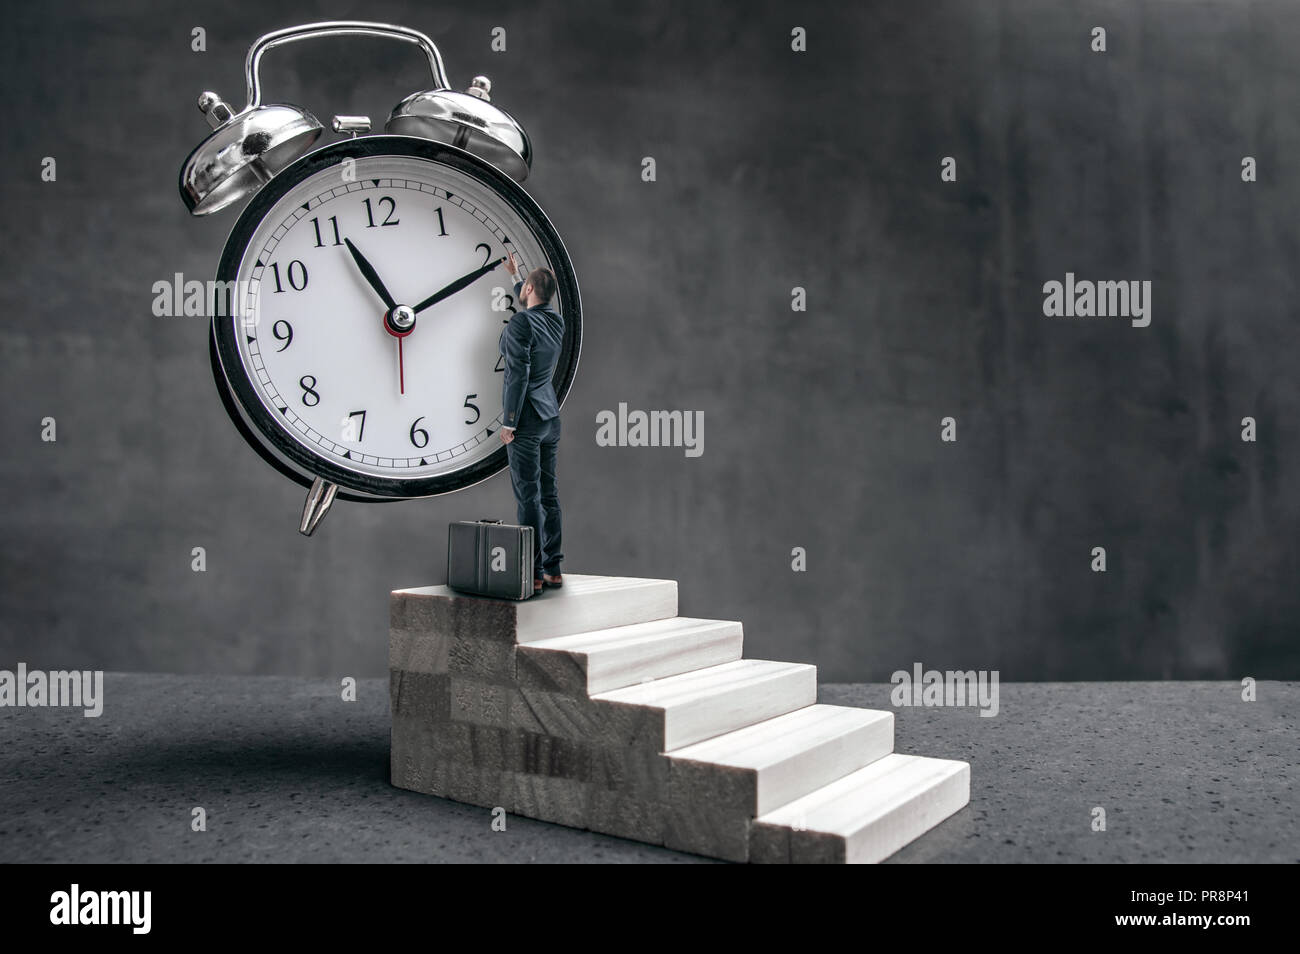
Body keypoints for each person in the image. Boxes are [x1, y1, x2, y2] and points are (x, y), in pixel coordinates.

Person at [500, 253, 565, 596]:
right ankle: (553, 568)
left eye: (523, 288)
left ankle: (534, 573)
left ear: (529, 289)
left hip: (525, 419)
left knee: (528, 498)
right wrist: (517, 277)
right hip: (550, 416)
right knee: (549, 495)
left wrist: (509, 422)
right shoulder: (556, 321)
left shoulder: (520, 325)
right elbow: (533, 307)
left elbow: (517, 376)